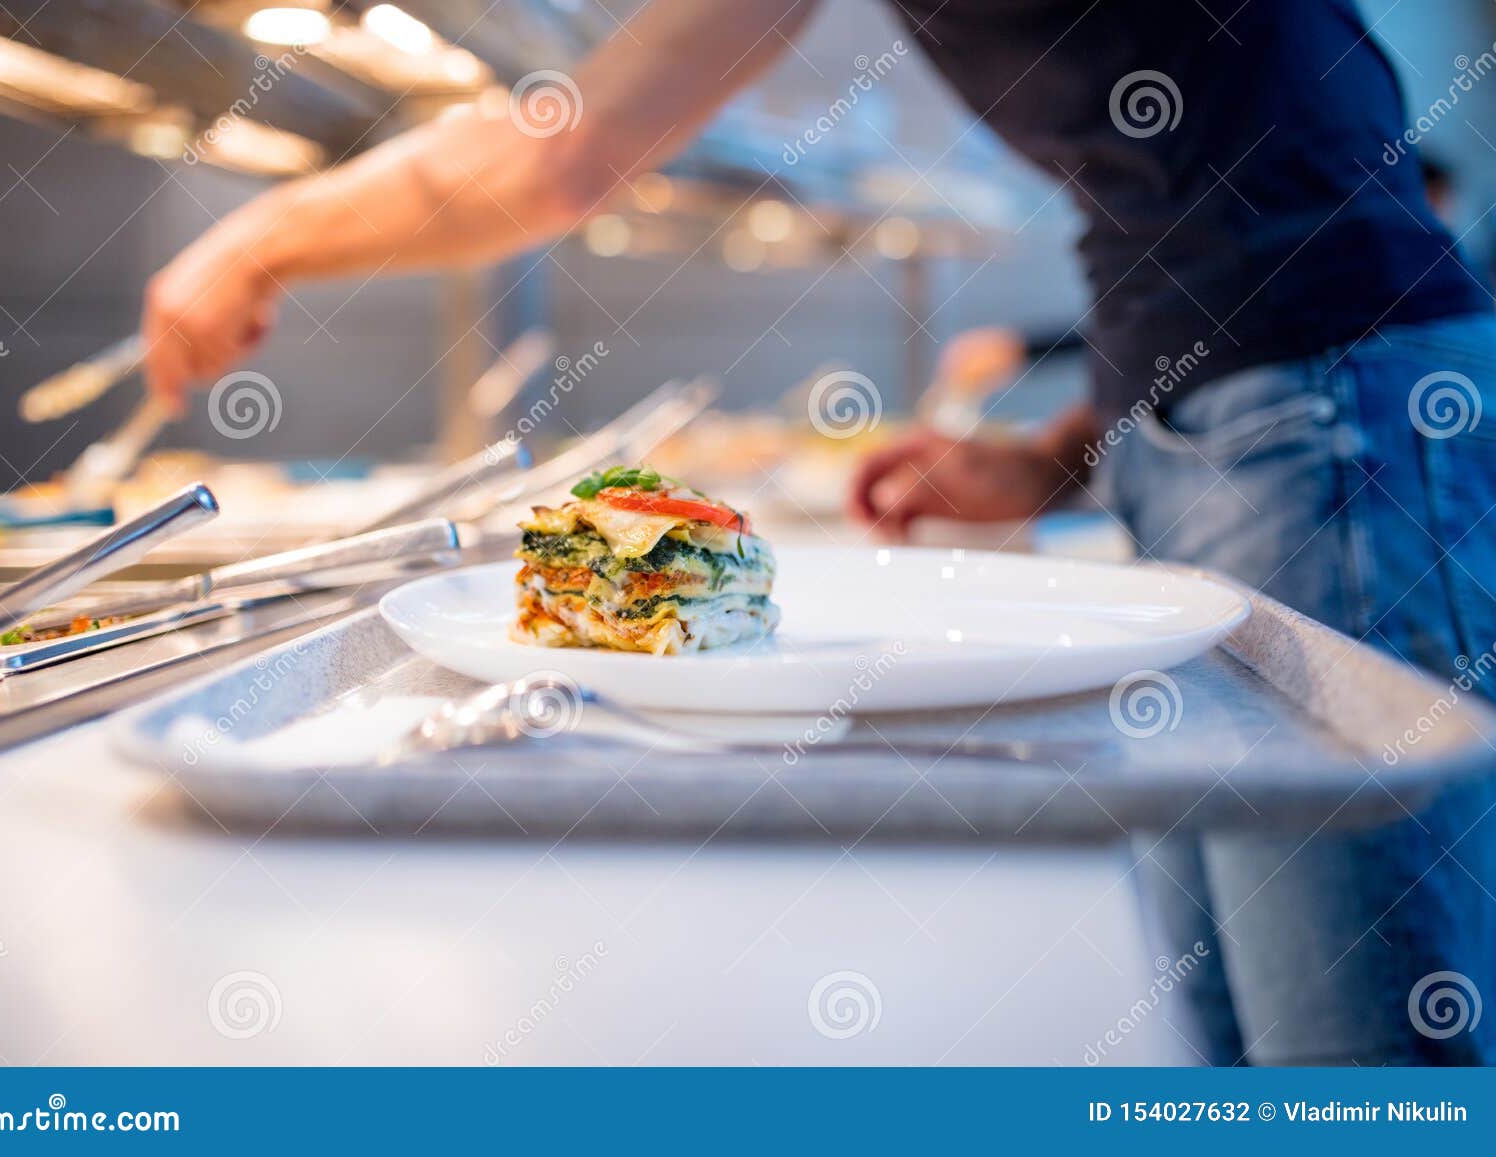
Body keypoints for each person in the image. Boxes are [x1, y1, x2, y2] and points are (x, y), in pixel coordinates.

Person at [142, 0, 1495, 1064]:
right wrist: (1055, 455)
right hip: (1255, 420)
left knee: (1355, 1059)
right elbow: (1202, 188)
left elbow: (563, 151)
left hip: (1334, 418)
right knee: (1238, 1049)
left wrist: (258, 240)